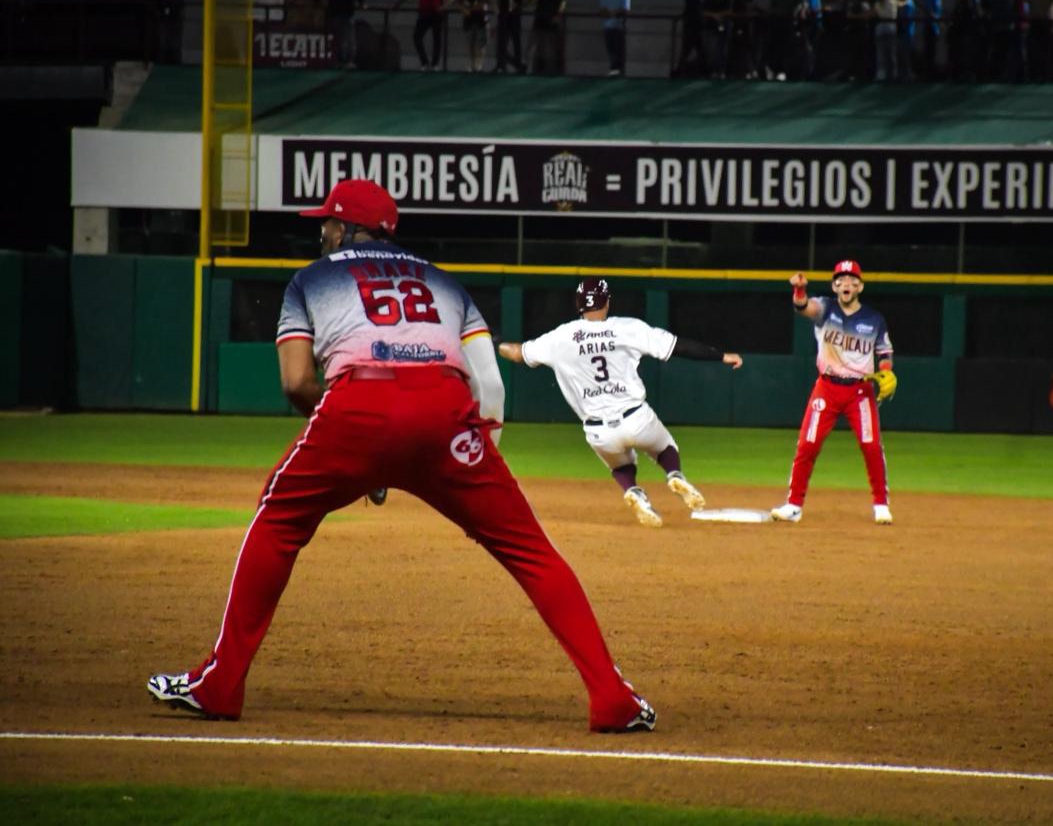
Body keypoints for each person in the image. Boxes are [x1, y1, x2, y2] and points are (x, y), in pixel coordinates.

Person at [146, 180, 655, 735]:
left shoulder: (311, 279)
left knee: (279, 519)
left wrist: (367, 449)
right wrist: (472, 464)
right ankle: (612, 699)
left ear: (347, 229)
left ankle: (221, 683)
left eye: (328, 222)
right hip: (448, 416)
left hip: (358, 406)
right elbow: (488, 384)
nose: (322, 230)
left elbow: (296, 384)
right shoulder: (443, 281)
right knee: (530, 550)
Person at [498, 278, 743, 529]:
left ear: (579, 304)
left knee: (621, 465)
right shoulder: (628, 328)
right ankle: (674, 475)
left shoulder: (560, 337)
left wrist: (495, 344)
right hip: (637, 418)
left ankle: (634, 492)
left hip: (598, 431)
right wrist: (721, 356)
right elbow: (678, 346)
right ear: (607, 302)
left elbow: (516, 352)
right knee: (664, 448)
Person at [771, 260, 896, 526]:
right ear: (834, 285)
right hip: (826, 388)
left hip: (859, 390)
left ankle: (881, 504)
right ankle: (794, 505)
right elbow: (804, 307)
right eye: (841, 279)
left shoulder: (874, 319)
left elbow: (884, 353)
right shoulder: (826, 308)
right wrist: (800, 291)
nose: (846, 284)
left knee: (871, 446)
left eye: (852, 280)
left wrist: (886, 370)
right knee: (807, 445)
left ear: (860, 286)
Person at [395, 0, 454, 71]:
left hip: (436, 14)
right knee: (417, 37)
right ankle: (425, 62)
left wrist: (443, 7)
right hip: (424, 14)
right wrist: (398, 4)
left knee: (437, 39)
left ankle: (435, 64)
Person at [316, 0, 366, 68]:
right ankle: (338, 60)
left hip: (348, 13)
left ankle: (348, 60)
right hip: (334, 13)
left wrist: (362, 3)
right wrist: (316, 1)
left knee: (349, 37)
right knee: (337, 37)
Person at [527, 0, 566, 75]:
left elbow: (562, 1)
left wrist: (558, 14)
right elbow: (531, 2)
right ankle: (535, 69)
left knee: (552, 47)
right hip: (539, 21)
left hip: (552, 21)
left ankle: (551, 71)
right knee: (536, 46)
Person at [492, 0, 528, 73]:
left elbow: (526, 0)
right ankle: (501, 66)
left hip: (515, 18)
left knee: (517, 43)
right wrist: (496, 10)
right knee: (501, 45)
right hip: (503, 17)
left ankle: (518, 66)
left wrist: (518, 5)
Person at [599, 0, 630, 77]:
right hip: (608, 28)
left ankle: (620, 73)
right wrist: (614, 13)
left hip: (619, 28)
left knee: (619, 53)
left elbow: (625, 10)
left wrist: (612, 13)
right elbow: (602, 12)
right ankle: (614, 72)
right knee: (611, 52)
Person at [458, 0, 490, 72]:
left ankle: (479, 66)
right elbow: (457, 3)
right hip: (469, 22)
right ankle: (471, 65)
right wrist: (463, 9)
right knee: (469, 45)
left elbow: (480, 5)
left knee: (480, 46)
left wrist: (469, 9)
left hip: (481, 22)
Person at [702, 0, 733, 79]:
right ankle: (713, 71)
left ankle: (721, 71)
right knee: (712, 51)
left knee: (723, 51)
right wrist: (714, 15)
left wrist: (719, 15)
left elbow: (729, 11)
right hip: (711, 28)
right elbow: (703, 11)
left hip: (724, 28)